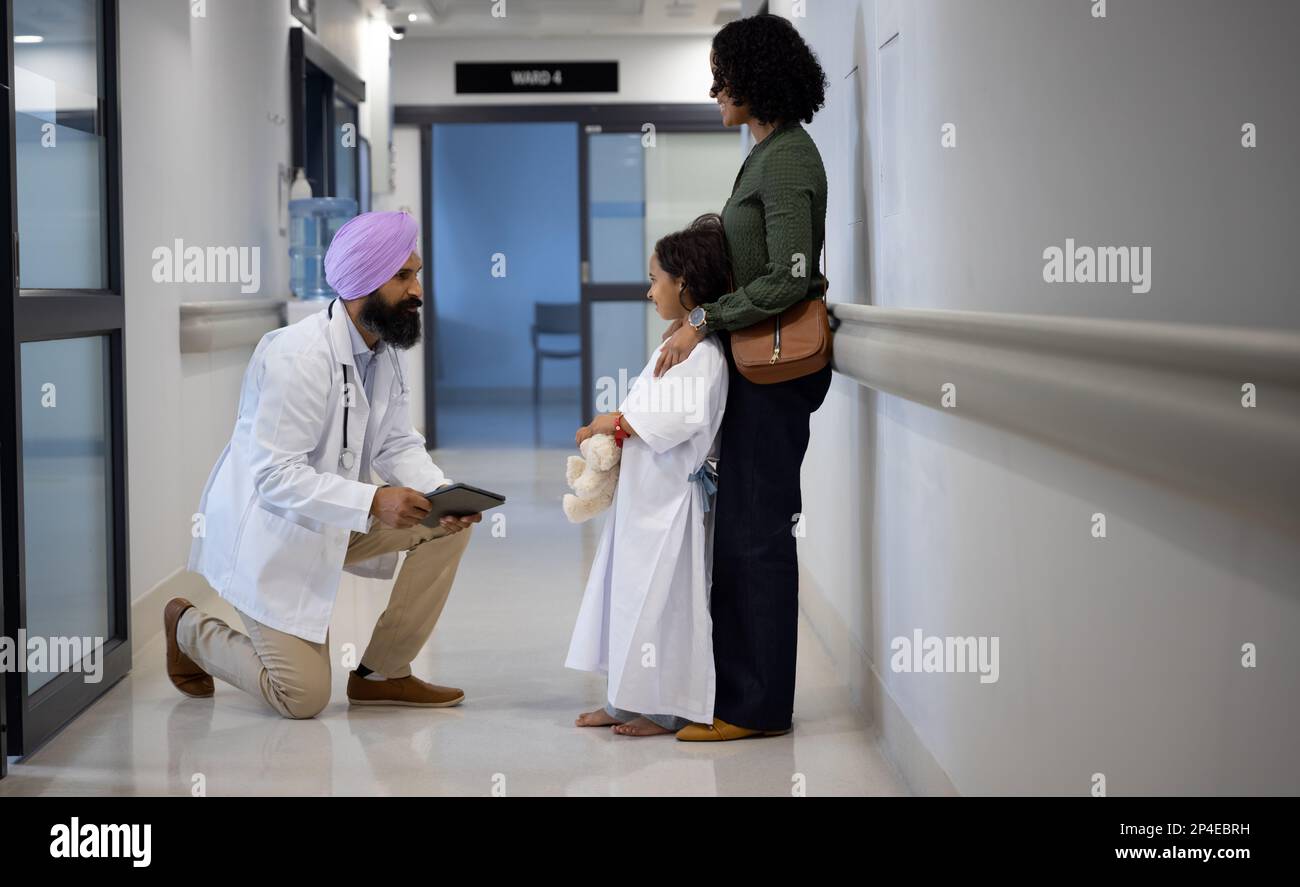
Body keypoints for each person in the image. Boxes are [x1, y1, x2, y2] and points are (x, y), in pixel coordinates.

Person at [168, 211, 482, 719]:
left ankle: (383, 674)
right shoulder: (299, 357)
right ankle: (186, 628)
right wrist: (375, 500)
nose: (418, 290)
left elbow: (396, 442)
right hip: (273, 533)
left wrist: (443, 493)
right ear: (362, 283)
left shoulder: (383, 349)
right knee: (303, 698)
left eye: (417, 274)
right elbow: (273, 477)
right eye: (404, 276)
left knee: (446, 525)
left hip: (334, 519)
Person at [658, 15, 833, 741]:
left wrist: (702, 321)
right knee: (742, 531)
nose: (713, 88)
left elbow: (791, 278)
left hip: (776, 371)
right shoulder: (764, 152)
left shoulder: (788, 159)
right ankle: (738, 696)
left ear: (757, 77)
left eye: (723, 73)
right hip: (755, 364)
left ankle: (755, 708)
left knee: (756, 536)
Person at [566, 215, 731, 737]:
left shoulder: (704, 354)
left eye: (655, 279)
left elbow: (676, 417)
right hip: (641, 501)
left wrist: (612, 423)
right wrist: (613, 427)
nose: (648, 290)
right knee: (626, 596)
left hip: (671, 508)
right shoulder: (674, 345)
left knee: (663, 605)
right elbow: (645, 400)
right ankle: (622, 697)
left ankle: (665, 706)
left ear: (683, 284)